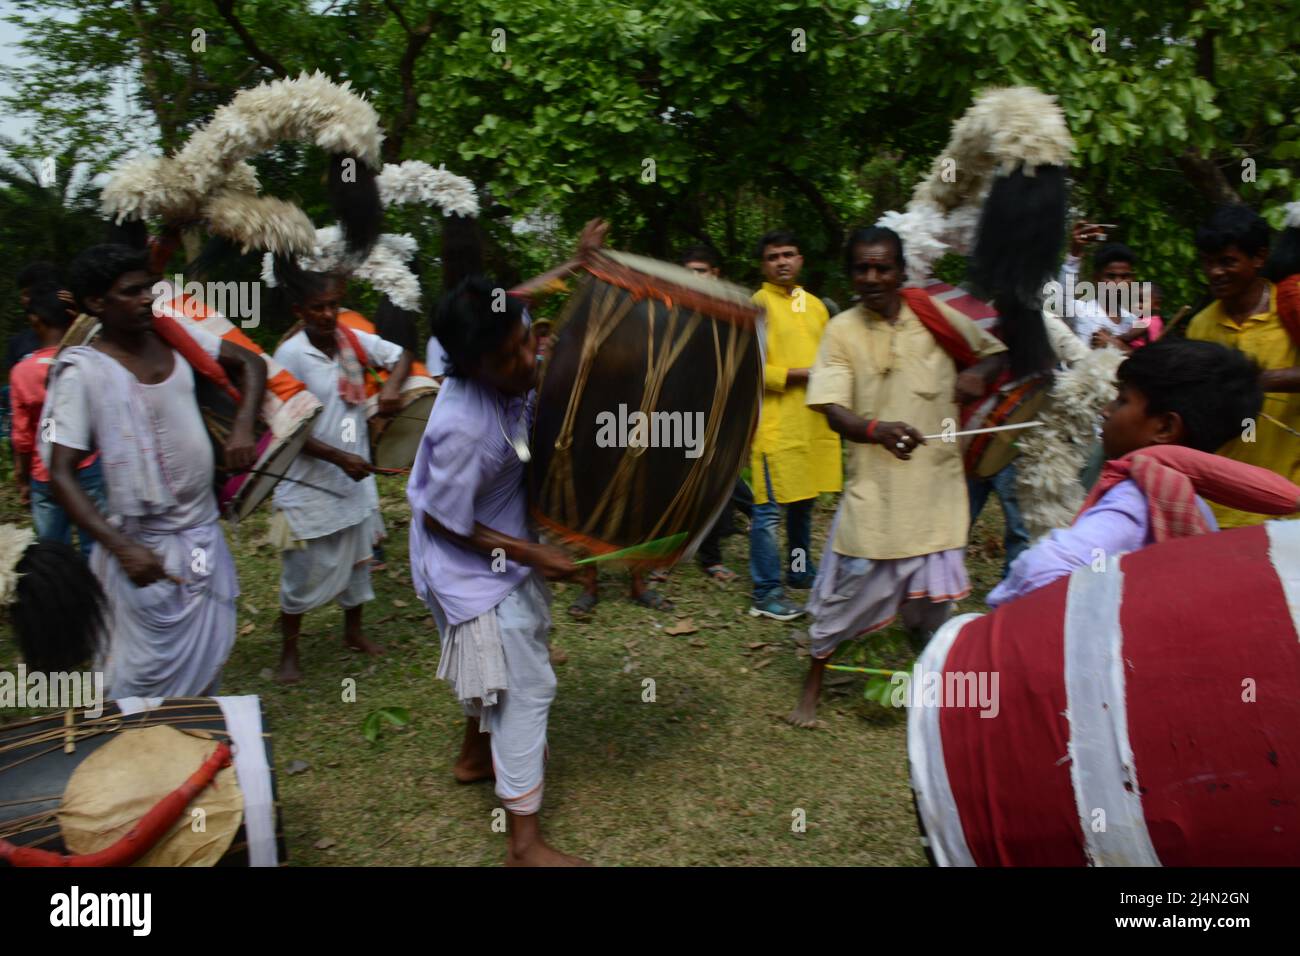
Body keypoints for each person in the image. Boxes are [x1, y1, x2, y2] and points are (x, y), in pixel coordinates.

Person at [787, 227, 1007, 728]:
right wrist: (876, 429)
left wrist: (980, 375)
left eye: (882, 267)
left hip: (938, 490)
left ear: (902, 272)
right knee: (843, 595)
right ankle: (812, 685)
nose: (871, 277)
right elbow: (831, 410)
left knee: (934, 609)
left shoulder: (934, 315)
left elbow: (997, 351)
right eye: (862, 268)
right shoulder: (840, 330)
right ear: (850, 275)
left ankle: (930, 691)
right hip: (876, 495)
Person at [409, 273, 585, 867]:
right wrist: (537, 554)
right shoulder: (463, 426)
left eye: (525, 342)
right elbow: (442, 522)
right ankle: (524, 846)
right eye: (506, 357)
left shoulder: (504, 352)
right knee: (524, 685)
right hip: (465, 566)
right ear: (469, 365)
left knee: (495, 667)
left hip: (500, 545)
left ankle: (472, 759)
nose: (524, 359)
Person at [42, 243, 266, 698]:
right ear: (96, 304)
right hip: (141, 546)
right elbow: (60, 472)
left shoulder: (174, 336)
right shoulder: (81, 373)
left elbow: (250, 362)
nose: (148, 298)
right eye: (132, 291)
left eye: (149, 287)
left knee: (207, 662)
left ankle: (197, 750)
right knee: (135, 675)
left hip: (202, 533)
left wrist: (243, 428)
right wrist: (122, 548)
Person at [989, 340, 1298, 606]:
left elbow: (1040, 571)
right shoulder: (1195, 505)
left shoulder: (1134, 500)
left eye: (1122, 400)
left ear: (1164, 428)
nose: (1106, 411)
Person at [271, 271, 414, 683]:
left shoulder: (351, 340)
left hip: (353, 475)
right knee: (299, 571)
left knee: (357, 561)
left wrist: (391, 388)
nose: (328, 313)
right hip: (307, 480)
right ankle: (289, 651)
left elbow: (402, 354)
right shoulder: (290, 355)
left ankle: (353, 633)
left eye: (333, 304)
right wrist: (337, 458)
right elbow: (285, 427)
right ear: (300, 311)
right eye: (318, 307)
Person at [1186, 204, 1300, 527]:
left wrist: (1257, 380)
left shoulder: (1291, 308)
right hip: (1219, 507)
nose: (1215, 273)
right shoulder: (1200, 326)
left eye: (1227, 262)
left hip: (1288, 504)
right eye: (1208, 263)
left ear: (1259, 258)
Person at [749, 230, 842, 620]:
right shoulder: (755, 305)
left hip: (813, 424)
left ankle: (800, 571)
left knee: (803, 505)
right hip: (774, 425)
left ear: (801, 259)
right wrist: (797, 375)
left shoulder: (818, 306)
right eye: (773, 257)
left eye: (789, 254)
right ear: (763, 265)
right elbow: (746, 367)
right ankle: (766, 592)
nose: (782, 262)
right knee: (768, 512)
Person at [9, 288, 107, 554]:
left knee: (53, 552)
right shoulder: (86, 359)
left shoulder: (22, 372)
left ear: (35, 320)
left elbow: (23, 436)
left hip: (46, 472)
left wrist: (22, 477)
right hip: (88, 465)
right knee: (97, 548)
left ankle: (61, 594)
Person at [1060, 226, 1141, 349]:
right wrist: (1074, 254)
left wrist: (1114, 344)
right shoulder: (1080, 312)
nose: (1118, 283)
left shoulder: (1133, 323)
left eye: (1125, 276)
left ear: (1132, 279)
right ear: (1096, 278)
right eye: (1111, 276)